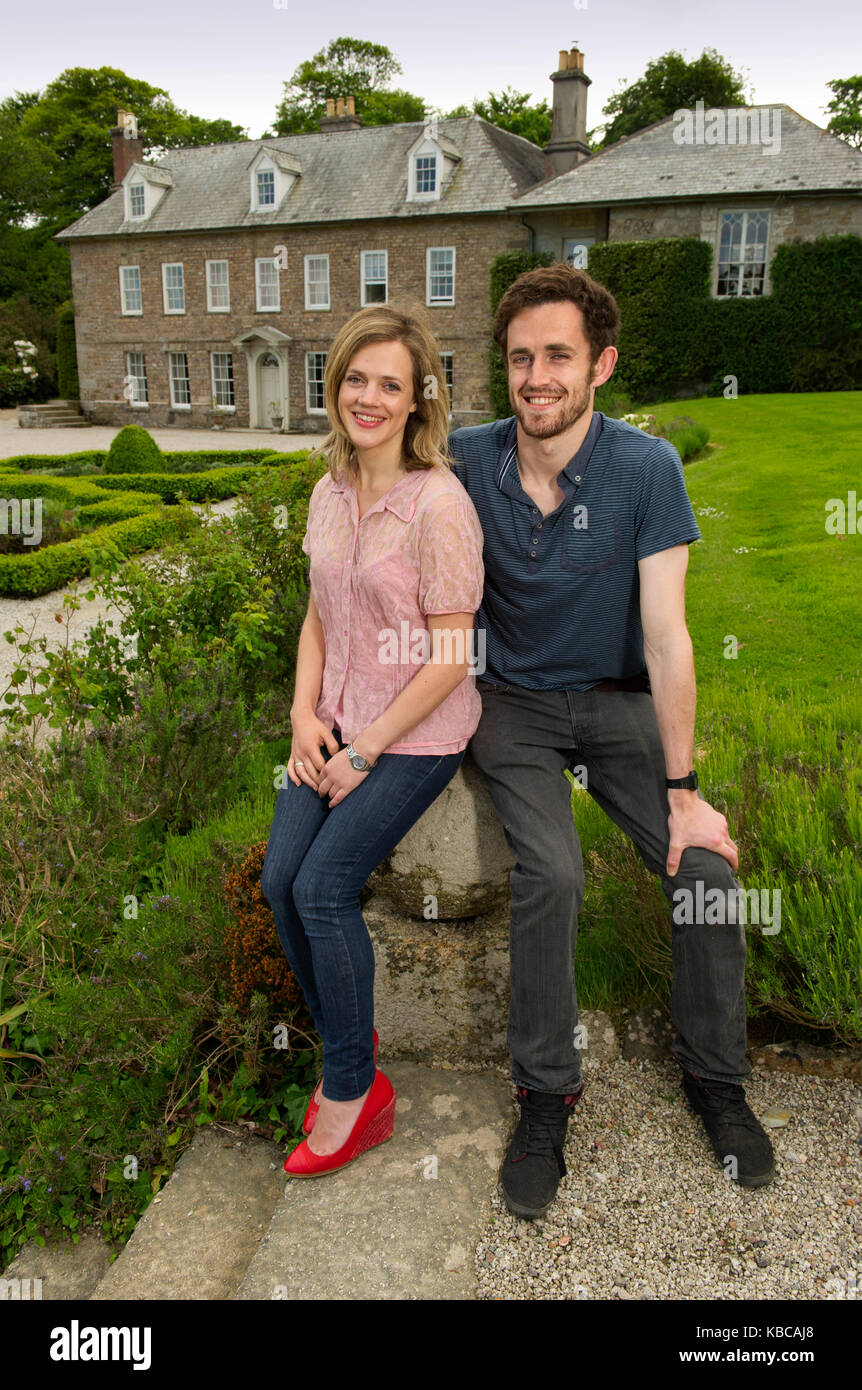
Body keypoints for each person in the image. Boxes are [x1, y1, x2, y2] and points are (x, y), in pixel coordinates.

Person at [447, 262, 775, 1221]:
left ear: (601, 365)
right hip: (512, 706)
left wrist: (685, 787)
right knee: (553, 874)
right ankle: (545, 1096)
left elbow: (669, 638)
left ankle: (716, 1081)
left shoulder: (644, 468)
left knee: (707, 874)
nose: (535, 377)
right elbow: (370, 492)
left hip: (621, 703)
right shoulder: (468, 459)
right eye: (518, 358)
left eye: (557, 356)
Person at [260, 304, 484, 1178]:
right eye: (357, 377)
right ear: (336, 383)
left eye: (391, 383)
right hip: (336, 719)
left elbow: (454, 656)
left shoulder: (440, 503)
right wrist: (303, 716)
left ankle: (353, 1087)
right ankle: (351, 1041)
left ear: (418, 399)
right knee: (280, 881)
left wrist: (364, 752)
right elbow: (320, 613)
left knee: (322, 889)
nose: (369, 396)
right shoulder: (326, 490)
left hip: (418, 731)